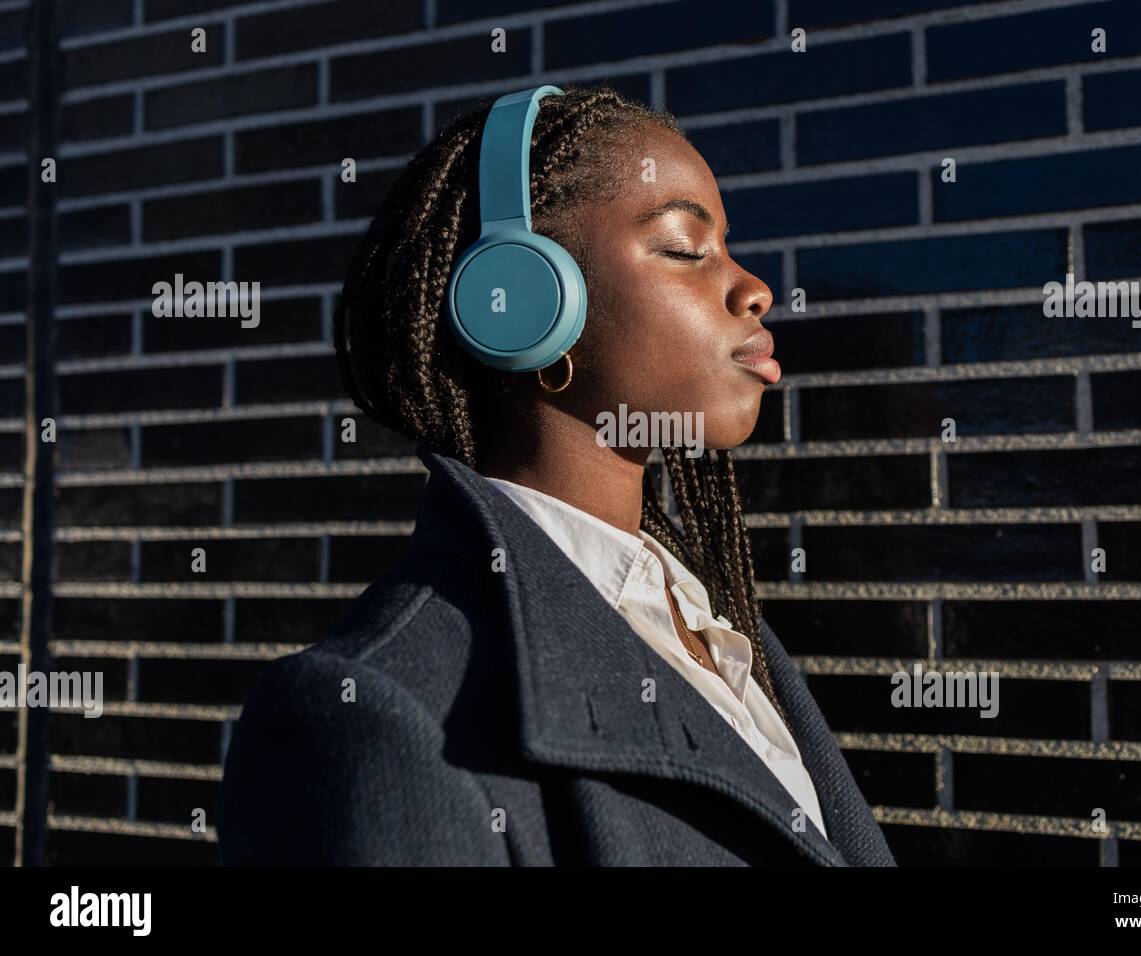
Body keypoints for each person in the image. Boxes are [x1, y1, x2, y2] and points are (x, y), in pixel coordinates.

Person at [216, 82, 895, 867]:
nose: (754, 288)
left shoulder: (714, 625)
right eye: (685, 247)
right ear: (525, 306)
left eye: (730, 247)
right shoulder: (377, 717)